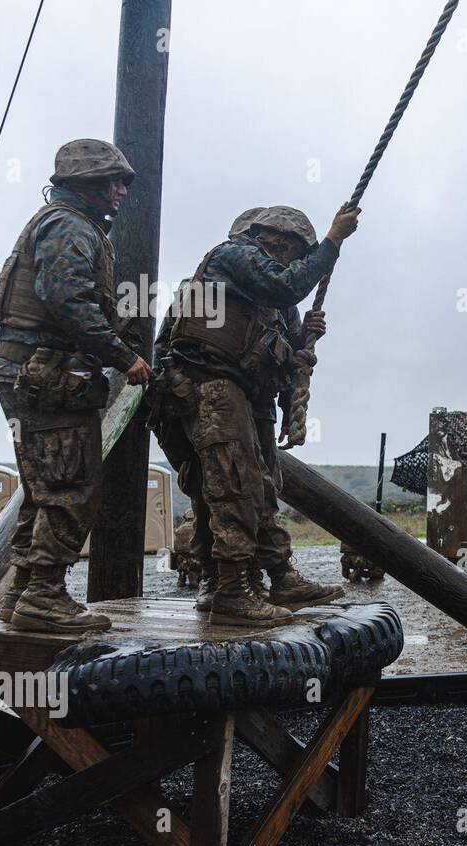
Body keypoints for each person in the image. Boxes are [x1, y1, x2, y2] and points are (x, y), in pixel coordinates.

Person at [151, 203, 358, 624]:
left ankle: (273, 576)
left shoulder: (271, 304)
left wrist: (300, 346)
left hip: (248, 394)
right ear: (273, 240)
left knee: (260, 488)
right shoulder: (233, 256)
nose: (293, 262)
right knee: (233, 486)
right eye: (292, 253)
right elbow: (287, 286)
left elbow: (277, 353)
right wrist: (334, 239)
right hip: (210, 385)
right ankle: (229, 588)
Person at [0, 139, 152, 632]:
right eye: (113, 182)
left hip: (34, 373)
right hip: (49, 376)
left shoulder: (64, 225)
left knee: (45, 488)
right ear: (88, 185)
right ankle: (43, 596)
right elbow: (68, 302)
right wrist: (125, 358)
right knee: (70, 487)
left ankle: (23, 594)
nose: (122, 191)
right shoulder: (69, 227)